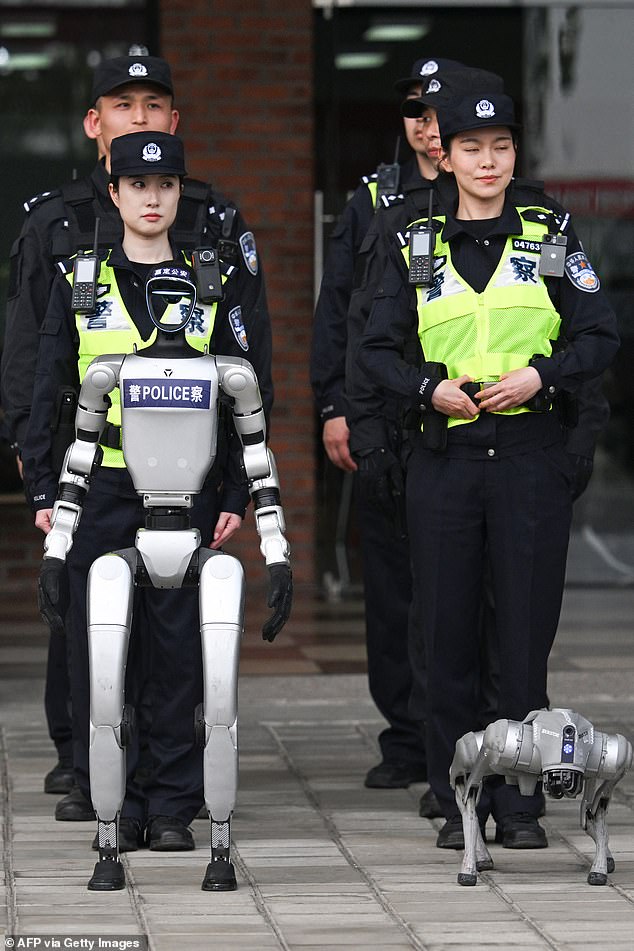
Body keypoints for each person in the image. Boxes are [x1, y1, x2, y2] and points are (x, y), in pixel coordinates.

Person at [1, 50, 272, 810]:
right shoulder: (56, 222)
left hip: (183, 471)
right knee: (87, 624)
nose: (140, 118)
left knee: (176, 632)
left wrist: (238, 481)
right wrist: (33, 458)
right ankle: (85, 765)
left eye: (154, 105)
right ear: (95, 124)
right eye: (124, 106)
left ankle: (168, 783)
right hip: (90, 465)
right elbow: (31, 355)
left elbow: (249, 362)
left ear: (175, 125)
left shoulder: (213, 221)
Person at [358, 91, 619, 850]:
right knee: (446, 638)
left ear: (514, 154)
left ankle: (521, 804)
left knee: (523, 640)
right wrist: (426, 389)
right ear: (445, 156)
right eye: (472, 148)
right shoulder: (414, 242)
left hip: (530, 458)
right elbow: (374, 350)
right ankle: (457, 800)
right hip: (446, 459)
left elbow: (599, 334)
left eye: (501, 146)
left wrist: (544, 375)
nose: (488, 162)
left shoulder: (549, 234)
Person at [311, 57, 503, 799]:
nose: (425, 126)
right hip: (389, 420)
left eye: (437, 113)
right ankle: (406, 734)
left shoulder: (504, 201)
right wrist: (335, 405)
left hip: (472, 426)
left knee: (463, 595)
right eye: (415, 114)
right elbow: (341, 310)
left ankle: (464, 740)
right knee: (393, 590)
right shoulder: (374, 201)